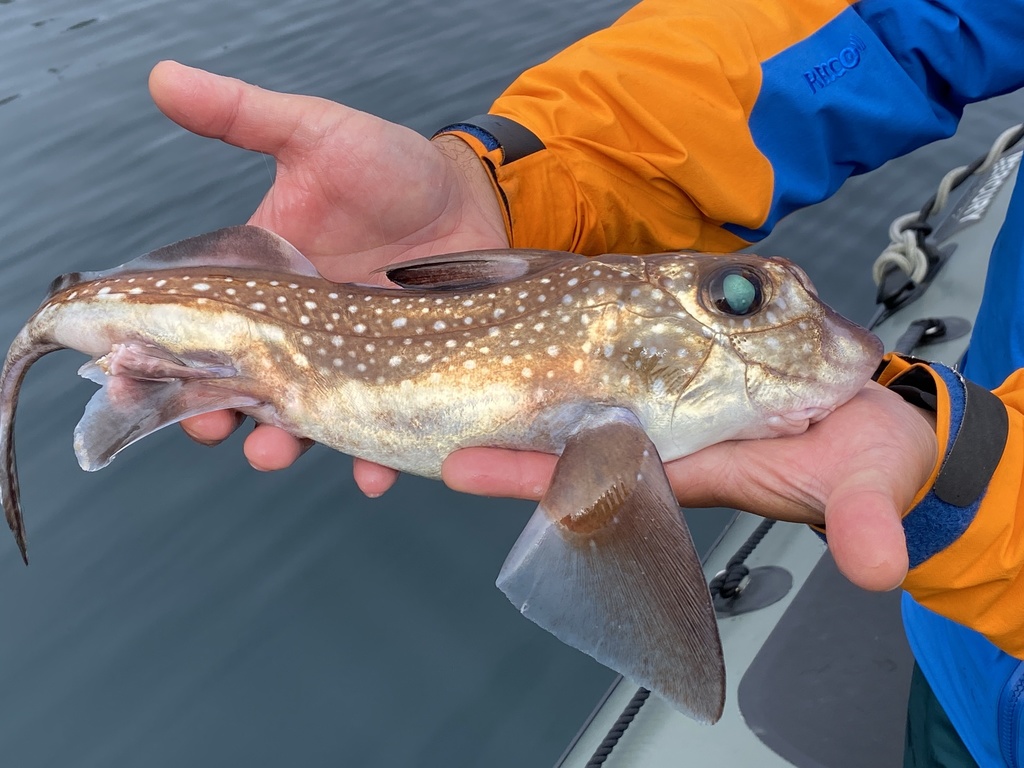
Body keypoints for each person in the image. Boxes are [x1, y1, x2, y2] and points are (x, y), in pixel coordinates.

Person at [147, 1, 1024, 763]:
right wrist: (514, 187)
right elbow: (878, 18)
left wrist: (975, 498)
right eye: (743, 297)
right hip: (967, 662)